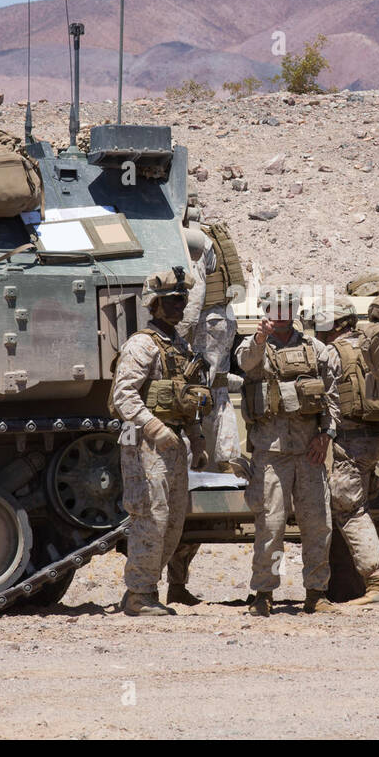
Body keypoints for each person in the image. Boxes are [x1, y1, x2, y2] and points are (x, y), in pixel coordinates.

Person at [109, 267, 210, 616]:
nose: (179, 306)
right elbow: (123, 397)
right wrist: (155, 429)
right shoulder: (142, 344)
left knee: (173, 521)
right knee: (150, 517)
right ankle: (140, 593)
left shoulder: (179, 346)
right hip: (145, 444)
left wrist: (197, 442)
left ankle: (144, 589)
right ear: (154, 304)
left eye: (182, 299)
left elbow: (188, 399)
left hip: (173, 443)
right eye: (171, 301)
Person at [237, 287, 339, 616]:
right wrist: (259, 340)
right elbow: (245, 363)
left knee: (318, 523)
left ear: (294, 310)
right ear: (265, 310)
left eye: (287, 307)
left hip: (309, 450)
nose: (281, 313)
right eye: (274, 308)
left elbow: (332, 396)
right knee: (271, 524)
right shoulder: (254, 346)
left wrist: (326, 434)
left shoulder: (315, 348)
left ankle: (317, 592)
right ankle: (264, 593)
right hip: (271, 452)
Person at [312, 295, 379, 606]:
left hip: (356, 440)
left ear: (335, 326)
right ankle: (368, 483)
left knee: (348, 508)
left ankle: (376, 585)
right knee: (358, 481)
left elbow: (324, 400)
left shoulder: (332, 353)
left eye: (322, 326)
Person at [164, 224, 245, 606]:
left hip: (209, 326)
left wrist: (173, 335)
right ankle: (176, 583)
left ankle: (219, 459)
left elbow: (193, 296)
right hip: (222, 324)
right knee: (216, 395)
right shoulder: (209, 237)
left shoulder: (190, 241)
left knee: (202, 397)